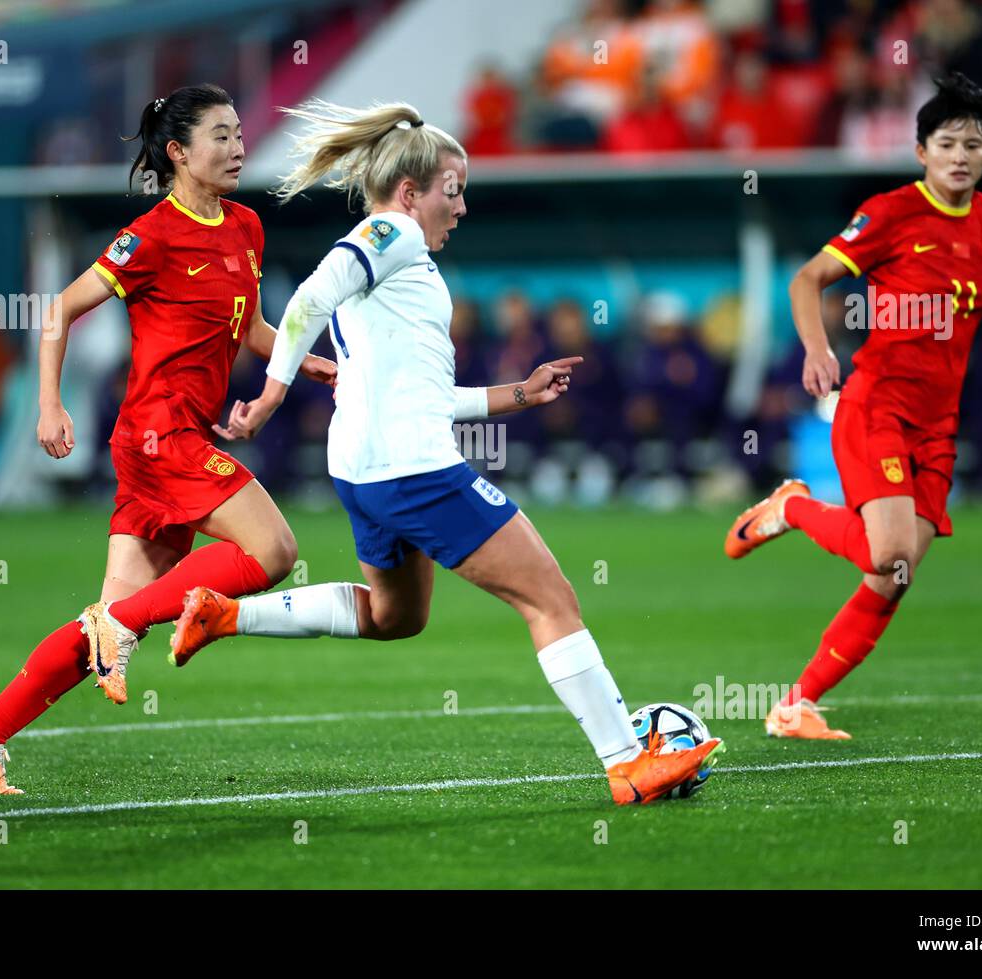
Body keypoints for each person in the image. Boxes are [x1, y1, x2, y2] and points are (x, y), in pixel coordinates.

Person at [167, 99, 722, 805]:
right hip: (414, 468)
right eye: (452, 191)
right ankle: (626, 761)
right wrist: (274, 392)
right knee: (551, 597)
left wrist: (516, 394)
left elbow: (421, 393)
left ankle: (225, 613)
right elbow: (308, 297)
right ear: (410, 192)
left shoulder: (405, 265)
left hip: (365, 471)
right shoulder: (391, 233)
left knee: (397, 616)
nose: (460, 207)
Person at [0, 84, 336, 794]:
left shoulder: (246, 225)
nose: (239, 145)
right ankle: (116, 625)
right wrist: (49, 405)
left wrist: (297, 358)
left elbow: (247, 326)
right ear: (179, 152)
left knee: (108, 627)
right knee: (275, 549)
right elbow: (60, 307)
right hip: (157, 437)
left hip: (177, 438)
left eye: (241, 132)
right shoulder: (150, 235)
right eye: (220, 134)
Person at [723, 73, 982, 739]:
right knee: (885, 551)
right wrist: (817, 349)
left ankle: (795, 704)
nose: (962, 156)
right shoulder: (891, 213)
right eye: (948, 143)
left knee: (894, 573)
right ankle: (791, 507)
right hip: (876, 406)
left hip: (938, 423)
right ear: (922, 151)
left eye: (975, 145)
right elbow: (807, 277)